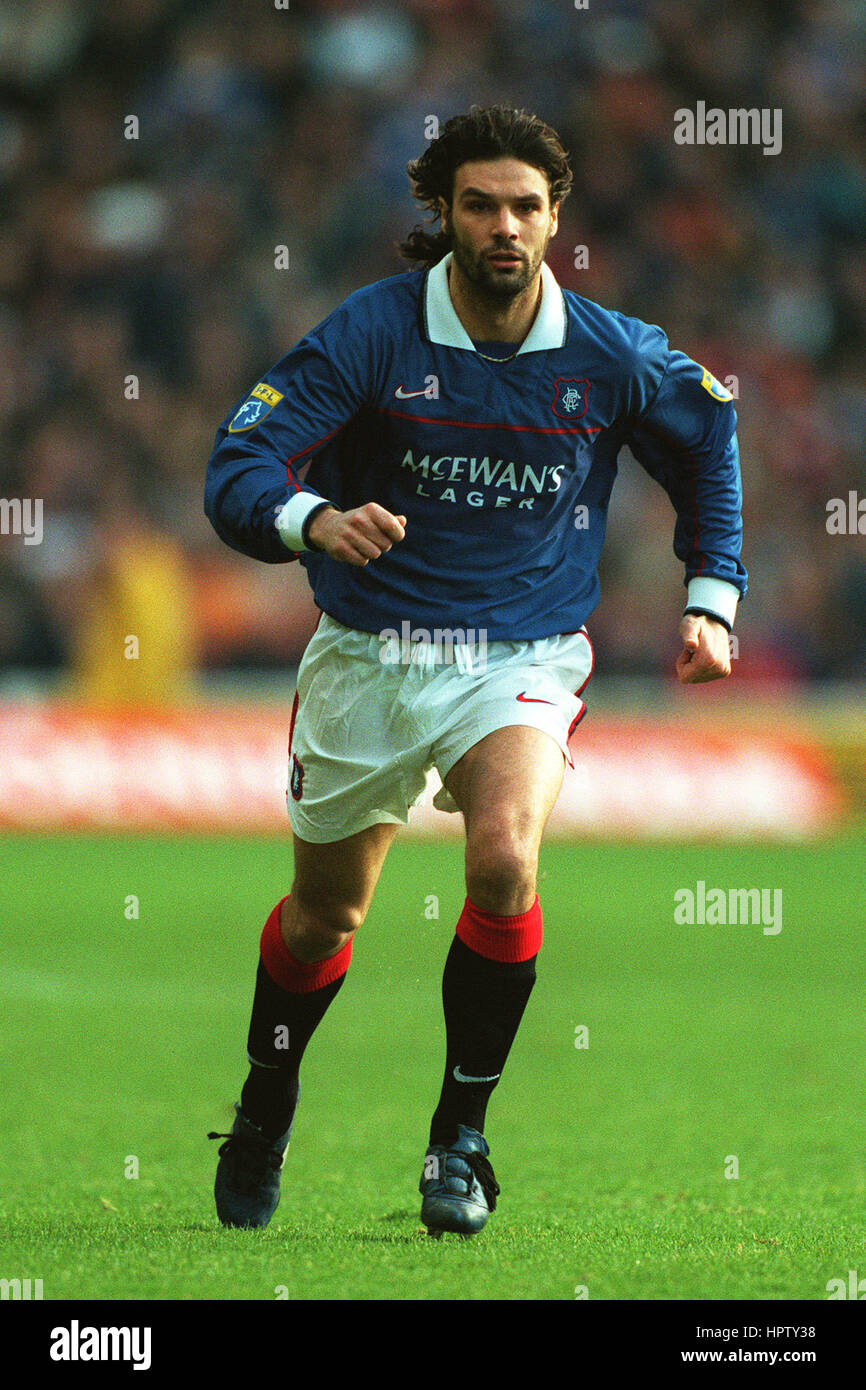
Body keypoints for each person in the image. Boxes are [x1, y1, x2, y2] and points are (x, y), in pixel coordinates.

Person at [204, 105, 747, 1237]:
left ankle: (458, 1140)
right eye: (480, 204)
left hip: (522, 652)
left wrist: (711, 596)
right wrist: (309, 518)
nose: (504, 226)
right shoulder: (369, 335)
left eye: (524, 207)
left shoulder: (606, 352)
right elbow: (239, 460)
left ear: (554, 220)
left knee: (503, 859)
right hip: (374, 653)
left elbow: (708, 437)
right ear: (443, 215)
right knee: (323, 918)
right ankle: (266, 1099)